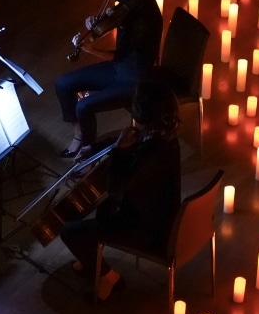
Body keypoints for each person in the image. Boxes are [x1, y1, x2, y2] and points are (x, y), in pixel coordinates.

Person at [60, 79, 182, 300]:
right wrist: (95, 148)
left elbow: (115, 185)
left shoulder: (152, 155)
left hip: (148, 230)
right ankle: (92, 260)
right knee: (104, 209)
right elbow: (131, 141)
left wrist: (119, 152)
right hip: (159, 215)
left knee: (68, 230)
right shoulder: (164, 136)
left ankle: (109, 279)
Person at [55, 0, 162, 160]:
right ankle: (78, 136)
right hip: (119, 70)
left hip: (134, 79)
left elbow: (118, 56)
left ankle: (88, 152)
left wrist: (90, 49)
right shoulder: (130, 2)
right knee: (63, 83)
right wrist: (93, 23)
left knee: (84, 105)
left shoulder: (144, 18)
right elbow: (116, 18)